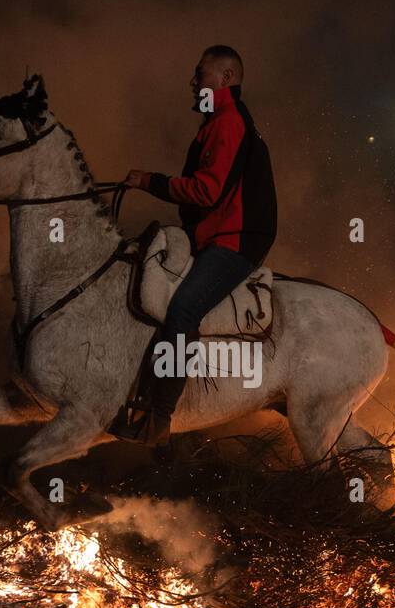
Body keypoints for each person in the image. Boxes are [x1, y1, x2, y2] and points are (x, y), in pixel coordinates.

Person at [114, 44, 277, 445]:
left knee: (184, 308)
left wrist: (149, 181)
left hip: (237, 239)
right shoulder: (215, 121)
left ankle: (159, 419)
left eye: (200, 73)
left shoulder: (228, 121)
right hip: (218, 233)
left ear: (226, 79)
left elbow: (207, 192)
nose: (193, 82)